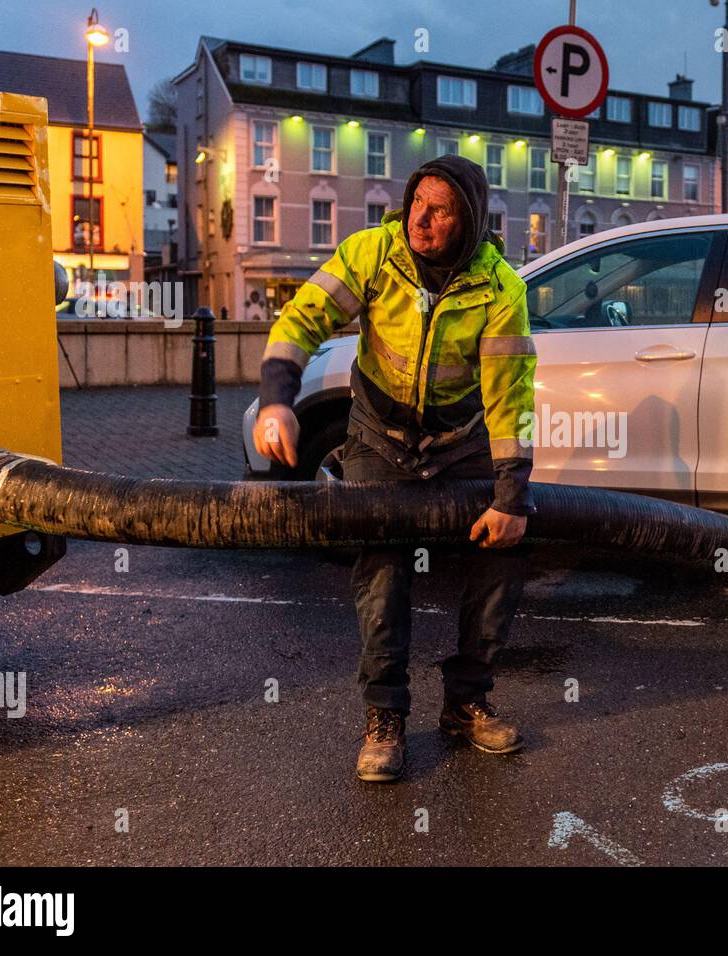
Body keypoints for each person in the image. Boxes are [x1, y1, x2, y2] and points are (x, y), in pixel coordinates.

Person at [252, 156, 537, 781]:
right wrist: (277, 398)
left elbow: (510, 395)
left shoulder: (499, 288)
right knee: (383, 573)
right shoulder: (372, 254)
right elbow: (302, 317)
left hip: (459, 444)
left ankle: (466, 704)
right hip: (378, 438)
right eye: (417, 204)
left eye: (440, 212)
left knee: (501, 556)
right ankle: (385, 717)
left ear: (468, 223)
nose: (420, 222)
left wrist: (511, 496)